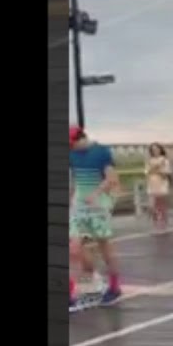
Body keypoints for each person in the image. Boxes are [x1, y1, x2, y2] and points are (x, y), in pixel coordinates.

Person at [68, 126, 122, 309]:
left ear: (80, 139)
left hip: (98, 206)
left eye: (71, 144)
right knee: (74, 248)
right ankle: (81, 289)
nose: (71, 148)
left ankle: (114, 288)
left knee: (105, 247)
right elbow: (75, 178)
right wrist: (72, 197)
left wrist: (97, 193)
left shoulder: (101, 152)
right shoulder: (71, 154)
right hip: (79, 206)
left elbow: (112, 179)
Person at [145, 144, 172, 229]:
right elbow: (147, 172)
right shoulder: (149, 160)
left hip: (161, 184)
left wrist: (156, 170)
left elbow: (166, 173)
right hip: (152, 184)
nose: (155, 151)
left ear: (160, 150)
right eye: (153, 149)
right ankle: (156, 220)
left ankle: (163, 221)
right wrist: (154, 169)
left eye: (156, 149)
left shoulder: (164, 160)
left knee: (161, 204)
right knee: (152, 205)